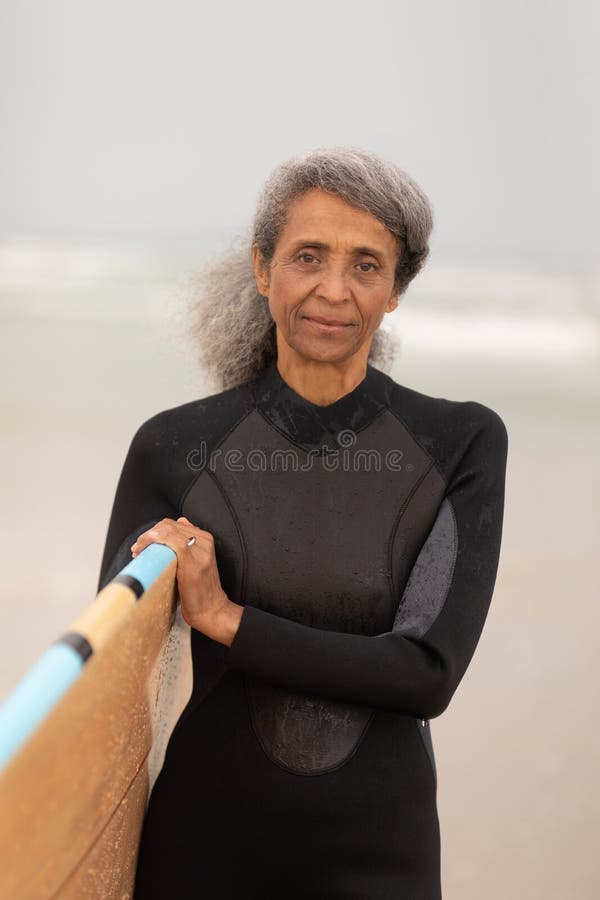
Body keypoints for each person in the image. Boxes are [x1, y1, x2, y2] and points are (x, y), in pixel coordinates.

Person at [97, 146, 508, 899]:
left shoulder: (459, 445)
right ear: (263, 270)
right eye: (308, 256)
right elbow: (116, 674)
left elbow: (426, 674)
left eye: (365, 265)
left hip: (379, 853)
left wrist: (223, 617)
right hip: (200, 847)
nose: (332, 289)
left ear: (395, 290)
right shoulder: (173, 447)